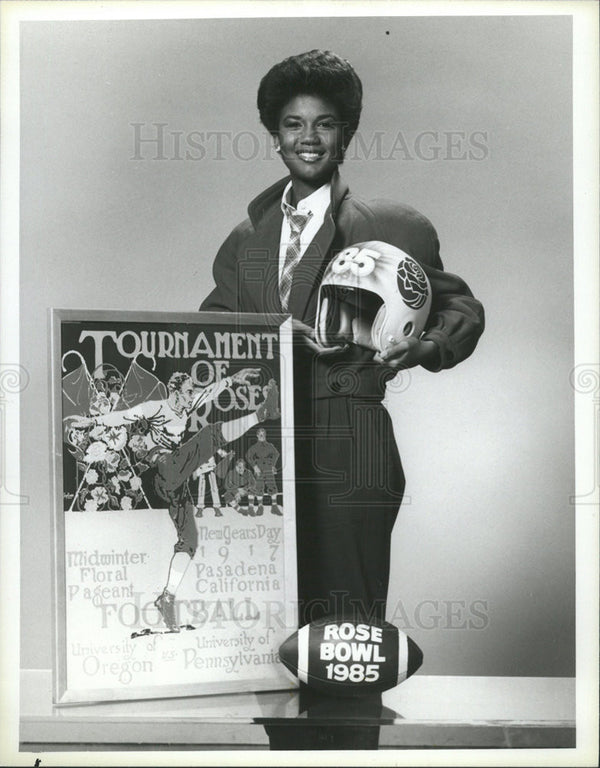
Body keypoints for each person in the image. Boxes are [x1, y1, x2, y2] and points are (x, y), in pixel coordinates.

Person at [200, 50, 485, 748]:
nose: (308, 138)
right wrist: (272, 338)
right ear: (273, 133)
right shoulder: (246, 239)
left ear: (346, 134)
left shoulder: (392, 225)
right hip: (260, 447)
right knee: (268, 637)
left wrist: (423, 347)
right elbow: (210, 333)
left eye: (324, 124)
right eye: (293, 124)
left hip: (348, 436)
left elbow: (461, 309)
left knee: (344, 635)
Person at [68, 369, 280, 630]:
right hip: (162, 472)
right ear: (175, 392)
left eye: (192, 392)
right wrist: (92, 422)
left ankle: (167, 598)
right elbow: (123, 416)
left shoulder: (187, 404)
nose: (192, 397)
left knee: (190, 540)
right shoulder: (155, 408)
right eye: (188, 392)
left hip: (176, 480)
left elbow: (209, 392)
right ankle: (261, 415)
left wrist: (233, 379)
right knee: (209, 435)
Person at [246, 427, 282, 516]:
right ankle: (260, 507)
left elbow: (277, 454)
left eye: (263, 434)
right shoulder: (254, 447)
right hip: (259, 469)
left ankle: (274, 507)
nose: (262, 436)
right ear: (257, 435)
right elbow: (248, 456)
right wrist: (254, 466)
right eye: (260, 434)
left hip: (268, 468)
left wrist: (272, 465)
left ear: (265, 435)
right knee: (259, 487)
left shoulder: (270, 446)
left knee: (272, 486)